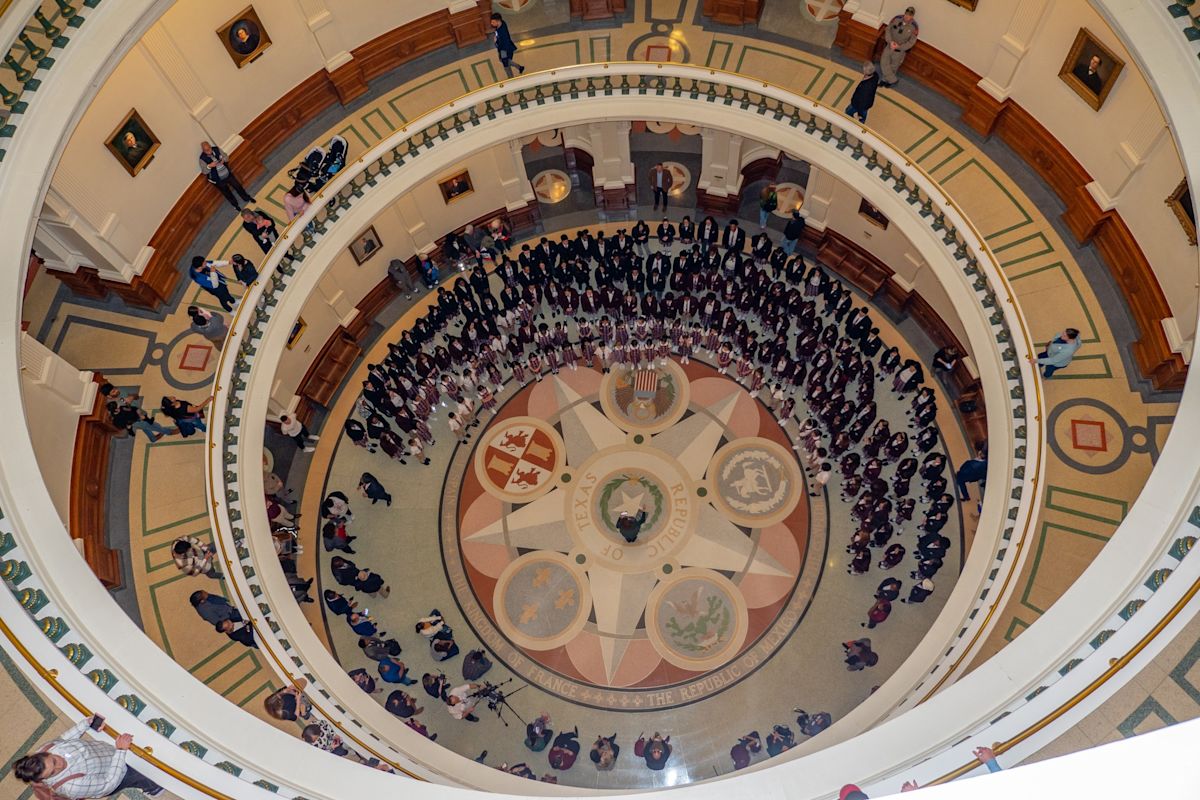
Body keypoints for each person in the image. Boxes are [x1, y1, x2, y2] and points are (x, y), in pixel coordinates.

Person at [11, 715, 163, 799]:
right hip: (115, 775)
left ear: (46, 753)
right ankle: (153, 789)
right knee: (141, 777)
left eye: (54, 761)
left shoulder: (46, 748)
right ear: (44, 779)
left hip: (103, 752)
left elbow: (63, 739)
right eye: (53, 772)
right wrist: (121, 751)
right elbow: (108, 783)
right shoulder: (72, 786)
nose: (60, 766)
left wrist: (86, 724)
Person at [198, 141, 253, 210]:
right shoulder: (202, 159)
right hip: (218, 180)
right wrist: (209, 166)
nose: (209, 150)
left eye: (209, 148)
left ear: (210, 146)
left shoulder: (216, 149)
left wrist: (223, 160)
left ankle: (247, 198)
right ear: (203, 150)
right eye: (206, 150)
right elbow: (205, 172)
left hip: (227, 173)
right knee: (227, 193)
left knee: (238, 186)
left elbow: (226, 157)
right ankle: (235, 205)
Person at [880, 7, 919, 87]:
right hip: (890, 46)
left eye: (909, 16)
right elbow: (888, 30)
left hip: (899, 51)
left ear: (912, 17)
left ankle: (886, 80)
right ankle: (893, 80)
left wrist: (899, 47)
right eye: (906, 14)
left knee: (893, 67)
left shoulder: (913, 27)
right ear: (904, 13)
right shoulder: (896, 19)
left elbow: (911, 42)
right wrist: (890, 41)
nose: (907, 17)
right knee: (883, 62)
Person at [489, 13, 524, 78]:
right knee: (504, 61)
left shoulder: (502, 31)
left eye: (493, 22)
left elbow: (502, 43)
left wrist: (496, 42)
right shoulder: (502, 23)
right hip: (503, 48)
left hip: (504, 49)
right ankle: (519, 67)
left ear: (498, 21)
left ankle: (511, 77)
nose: (491, 23)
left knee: (506, 64)